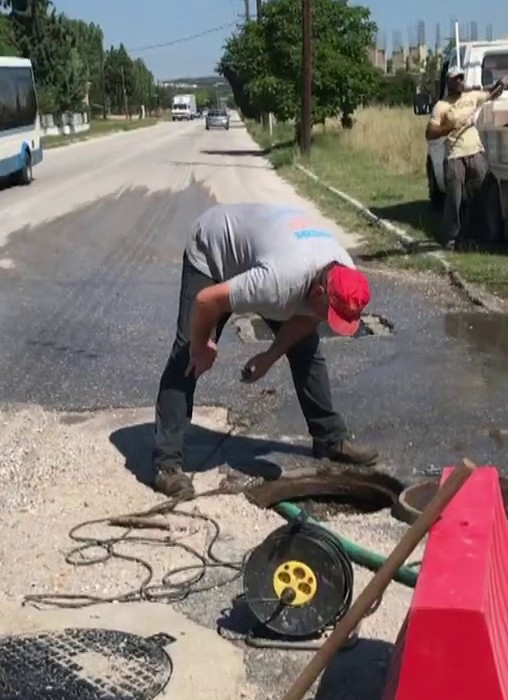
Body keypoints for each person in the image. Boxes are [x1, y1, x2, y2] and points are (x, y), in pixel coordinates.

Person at [150, 203, 380, 499]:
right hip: (213, 249)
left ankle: (330, 440)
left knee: (307, 348)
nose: (331, 321)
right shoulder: (278, 282)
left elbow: (308, 320)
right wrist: (200, 345)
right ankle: (166, 464)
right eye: (332, 313)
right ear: (319, 292)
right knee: (187, 356)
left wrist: (269, 357)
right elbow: (207, 300)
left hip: (267, 253)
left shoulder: (345, 275)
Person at [425, 66, 507, 250]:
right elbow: (430, 133)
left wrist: (501, 84)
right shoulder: (441, 107)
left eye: (461, 78)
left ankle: (479, 233)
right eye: (456, 79)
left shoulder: (472, 97)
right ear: (449, 82)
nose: (460, 82)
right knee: (454, 197)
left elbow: (492, 94)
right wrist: (448, 128)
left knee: (481, 192)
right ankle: (452, 237)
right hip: (455, 155)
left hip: (476, 152)